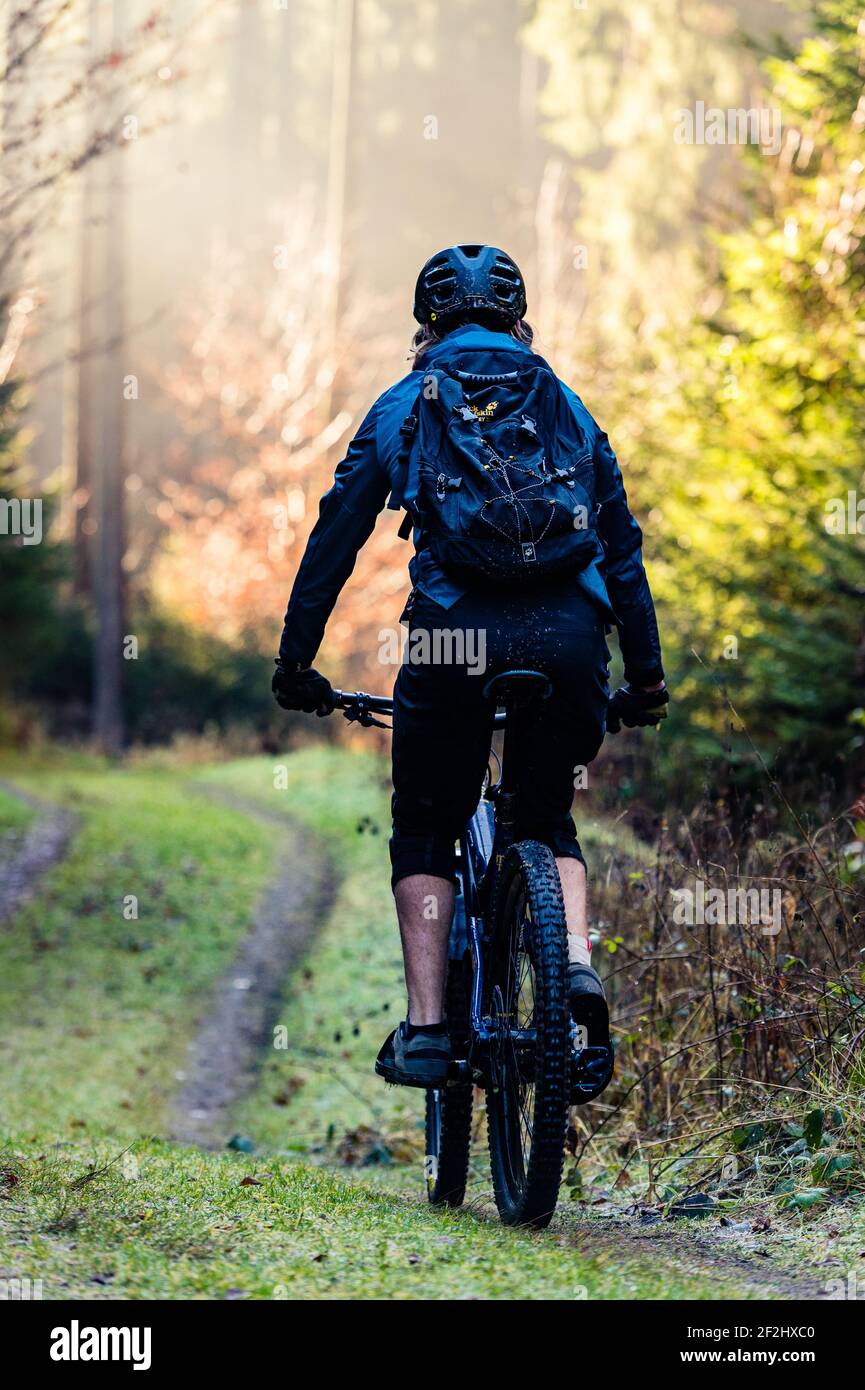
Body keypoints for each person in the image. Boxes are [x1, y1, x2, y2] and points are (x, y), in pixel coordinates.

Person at [273, 244, 667, 1087]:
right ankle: (573, 977)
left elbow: (333, 540)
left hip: (453, 642)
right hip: (567, 640)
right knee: (547, 820)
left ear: (427, 326)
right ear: (521, 322)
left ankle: (424, 1033)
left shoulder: (401, 403)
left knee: (425, 823)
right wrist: (645, 678)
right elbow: (623, 553)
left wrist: (296, 662)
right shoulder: (565, 404)